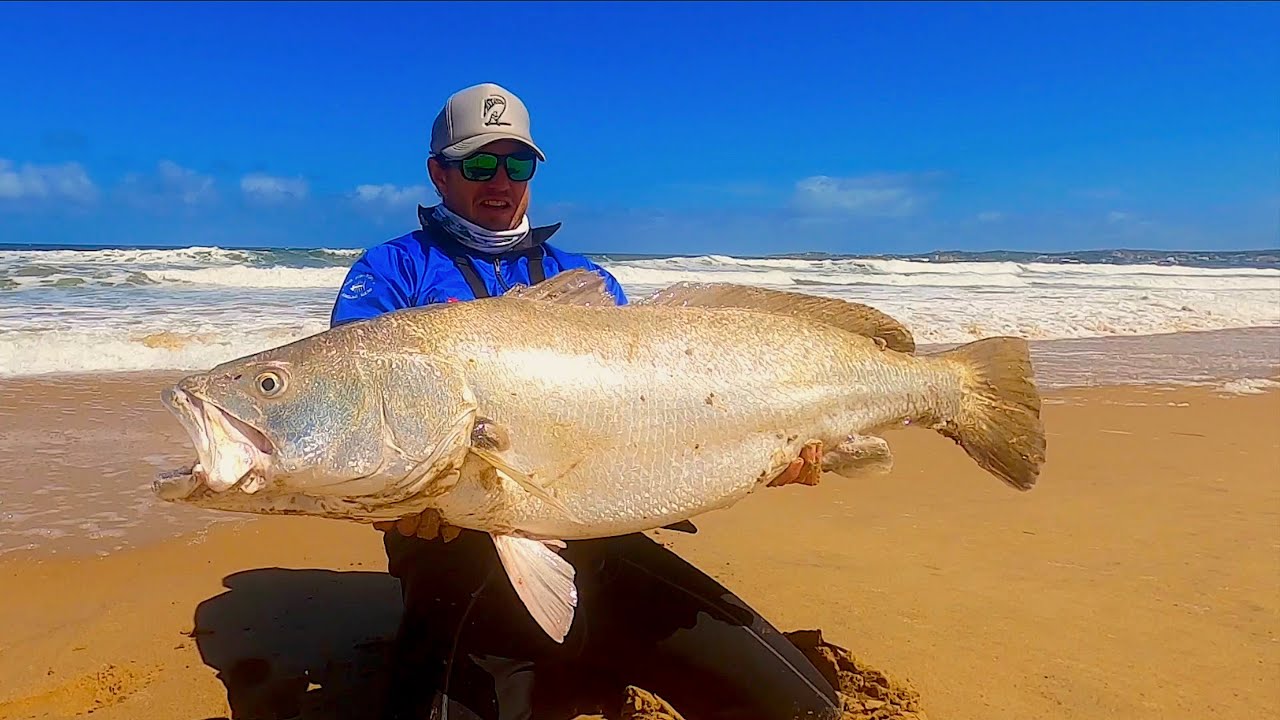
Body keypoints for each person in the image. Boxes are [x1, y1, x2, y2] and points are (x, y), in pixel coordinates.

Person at [330, 82, 840, 720]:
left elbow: (651, 419)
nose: (500, 181)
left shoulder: (589, 284)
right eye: (478, 163)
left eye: (517, 164)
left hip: (603, 539)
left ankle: (585, 655)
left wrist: (766, 451)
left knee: (804, 708)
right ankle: (560, 662)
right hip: (456, 557)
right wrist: (392, 507)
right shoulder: (390, 273)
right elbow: (354, 421)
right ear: (438, 173)